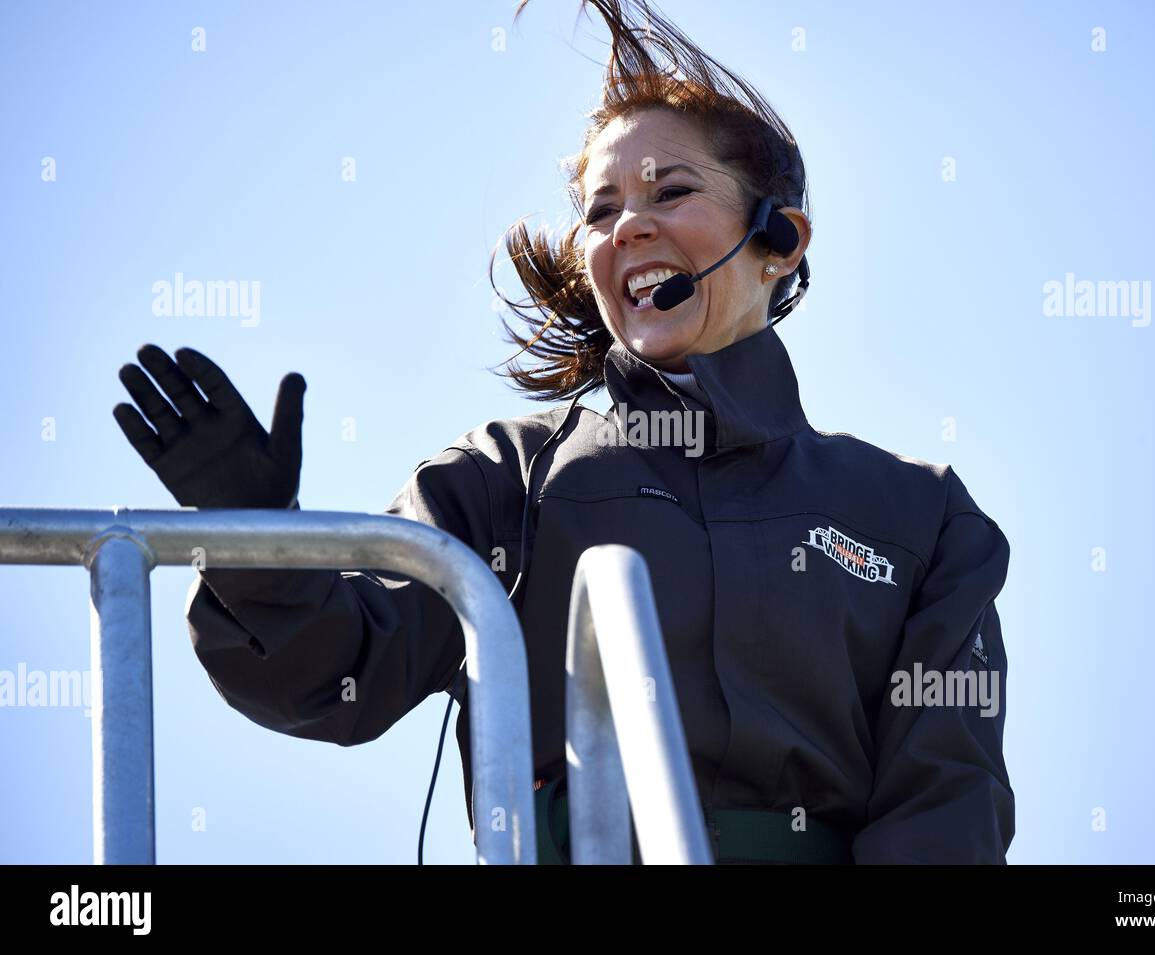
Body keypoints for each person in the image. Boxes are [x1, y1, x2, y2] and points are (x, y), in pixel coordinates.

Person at [111, 0, 1013, 864]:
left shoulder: (918, 514)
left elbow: (947, 801)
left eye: (671, 190)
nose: (630, 226)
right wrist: (255, 543)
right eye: (600, 210)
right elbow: (336, 671)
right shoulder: (505, 478)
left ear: (779, 240)